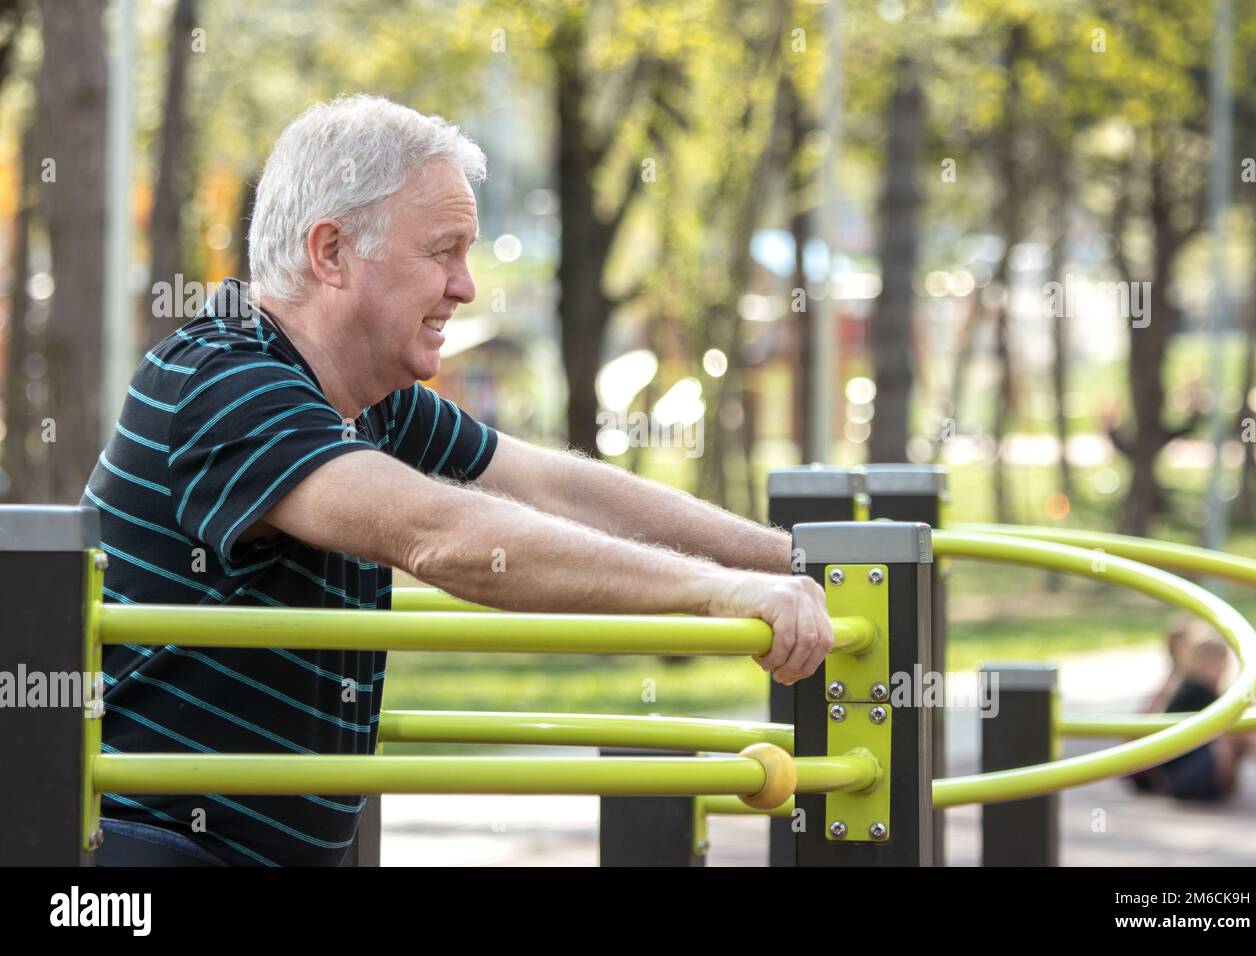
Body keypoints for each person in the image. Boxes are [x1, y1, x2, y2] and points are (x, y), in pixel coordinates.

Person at [83, 94, 834, 866]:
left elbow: (557, 489)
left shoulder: (368, 402)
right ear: (331, 253)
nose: (466, 286)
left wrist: (796, 565)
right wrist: (718, 591)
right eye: (442, 251)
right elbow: (444, 538)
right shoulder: (225, 382)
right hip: (139, 855)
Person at [1129, 622, 1256, 804]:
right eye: (1211, 663)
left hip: (1200, 772)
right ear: (1198, 663)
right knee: (1246, 726)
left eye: (1221, 662)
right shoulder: (1192, 689)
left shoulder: (1208, 692)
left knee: (1252, 724)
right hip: (1183, 778)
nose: (1218, 669)